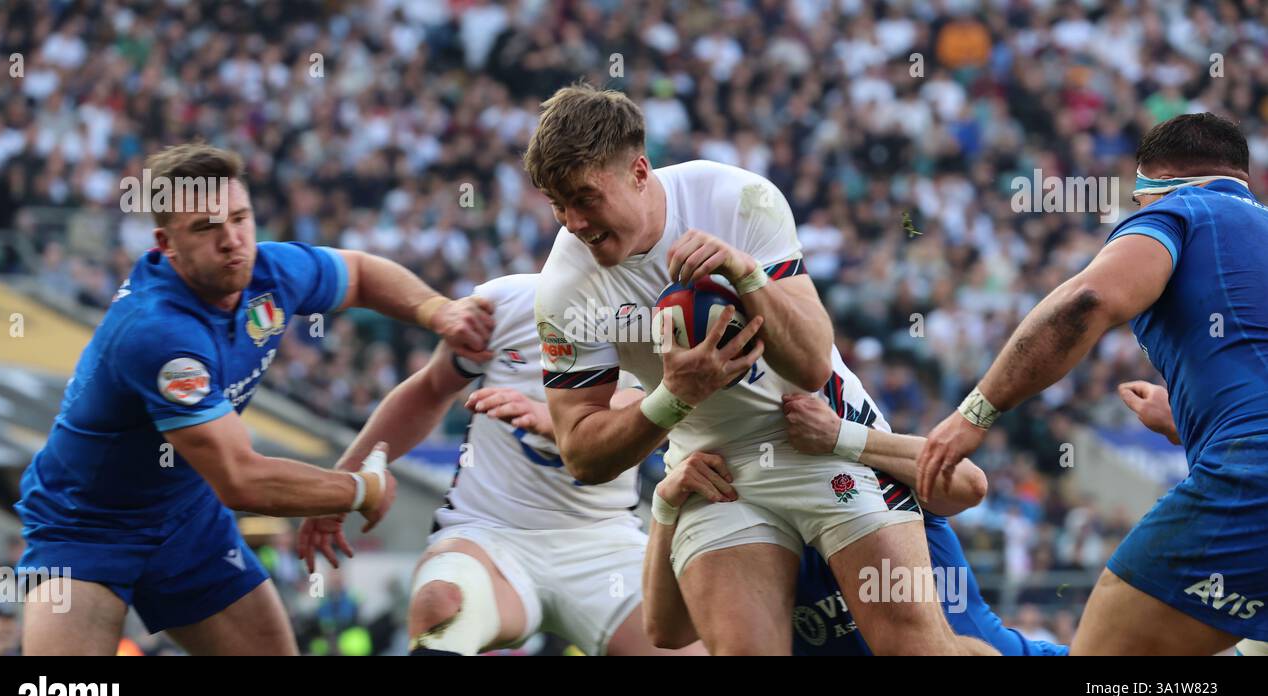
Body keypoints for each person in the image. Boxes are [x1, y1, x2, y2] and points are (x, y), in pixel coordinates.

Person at [528, 84, 990, 655]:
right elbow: (580, 451)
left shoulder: (736, 198)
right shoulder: (564, 289)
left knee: (914, 649)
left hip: (821, 435)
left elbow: (813, 363)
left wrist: (748, 277)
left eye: (584, 197)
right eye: (557, 204)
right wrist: (674, 396)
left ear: (639, 171)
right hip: (716, 471)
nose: (573, 221)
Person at [16, 143, 494, 655]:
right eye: (206, 227)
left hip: (186, 517)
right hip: (88, 526)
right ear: (165, 243)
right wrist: (357, 490)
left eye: (241, 219)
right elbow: (241, 479)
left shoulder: (270, 273)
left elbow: (358, 274)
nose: (232, 241)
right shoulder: (157, 333)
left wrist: (436, 310)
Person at [918, 113, 1268, 654]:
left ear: (1152, 181)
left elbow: (1087, 300)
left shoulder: (1181, 209)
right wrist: (1188, 418)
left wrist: (976, 413)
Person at [300, 273, 702, 655]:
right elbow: (430, 389)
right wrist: (345, 477)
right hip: (490, 535)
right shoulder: (504, 304)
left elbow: (646, 411)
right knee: (441, 602)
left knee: (696, 643)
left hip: (603, 540)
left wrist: (556, 424)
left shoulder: (658, 318)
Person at [641, 383, 1064, 655]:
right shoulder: (737, 534)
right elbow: (667, 631)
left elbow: (970, 483)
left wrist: (840, 436)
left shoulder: (864, 477)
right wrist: (665, 505)